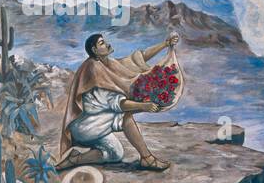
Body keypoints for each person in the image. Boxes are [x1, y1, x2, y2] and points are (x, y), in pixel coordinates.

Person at [56, 31, 179, 171]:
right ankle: (147, 159)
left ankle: (75, 159)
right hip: (86, 125)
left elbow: (138, 59)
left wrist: (165, 44)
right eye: (102, 43)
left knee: (115, 154)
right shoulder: (94, 70)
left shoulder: (108, 63)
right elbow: (117, 104)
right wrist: (144, 106)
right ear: (95, 50)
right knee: (126, 116)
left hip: (98, 121)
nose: (107, 44)